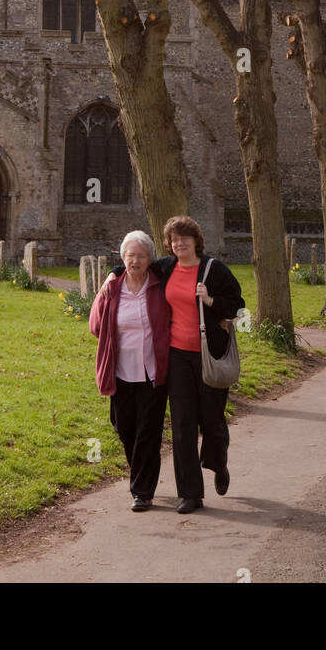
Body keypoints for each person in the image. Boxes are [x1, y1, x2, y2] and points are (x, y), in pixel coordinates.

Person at [100, 215, 244, 514]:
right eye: (174, 239)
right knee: (182, 427)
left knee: (213, 423)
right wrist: (112, 275)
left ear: (195, 240)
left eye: (184, 238)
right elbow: (134, 263)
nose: (179, 243)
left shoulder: (212, 269)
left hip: (208, 356)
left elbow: (237, 305)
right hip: (177, 356)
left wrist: (211, 301)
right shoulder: (166, 267)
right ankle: (190, 494)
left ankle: (218, 462)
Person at [88, 230, 171, 512]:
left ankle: (142, 491)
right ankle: (142, 473)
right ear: (122, 257)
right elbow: (95, 327)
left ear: (150, 259)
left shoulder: (160, 286)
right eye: (129, 255)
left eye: (141, 256)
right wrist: (102, 294)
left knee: (148, 432)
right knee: (124, 429)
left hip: (152, 372)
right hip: (120, 371)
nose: (134, 261)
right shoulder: (112, 287)